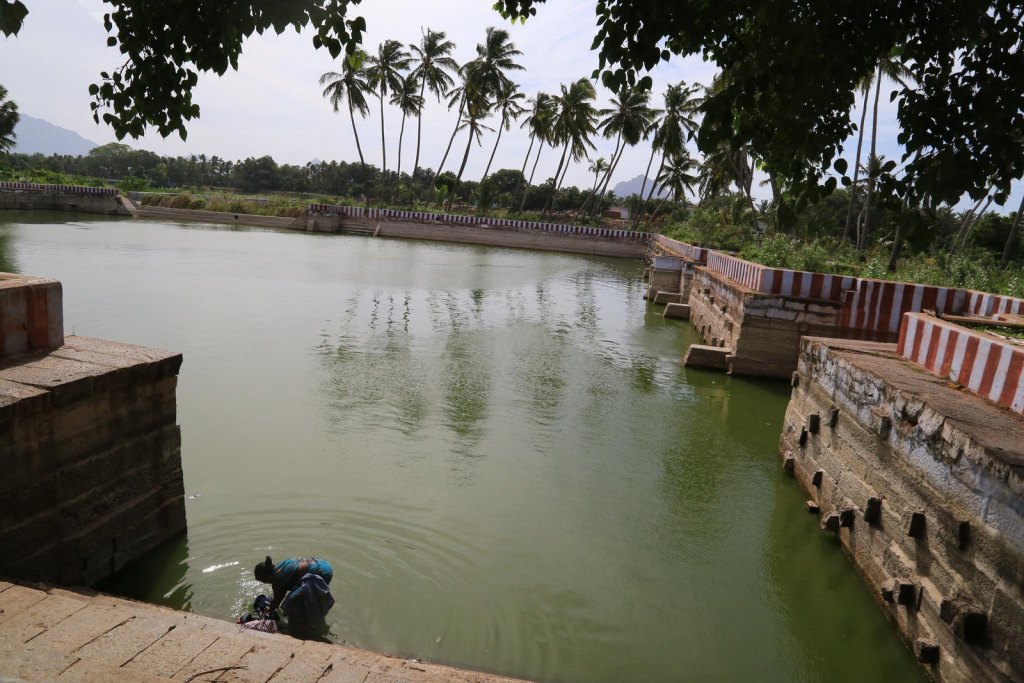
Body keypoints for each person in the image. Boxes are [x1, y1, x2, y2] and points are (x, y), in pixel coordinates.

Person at [253, 556, 335, 634]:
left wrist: (265, 612)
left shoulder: (277, 579)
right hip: (324, 566)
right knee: (305, 598)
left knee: (291, 605)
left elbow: (277, 602)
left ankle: (304, 629)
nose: (263, 583)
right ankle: (313, 620)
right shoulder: (279, 565)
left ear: (266, 577)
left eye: (262, 580)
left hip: (319, 573)